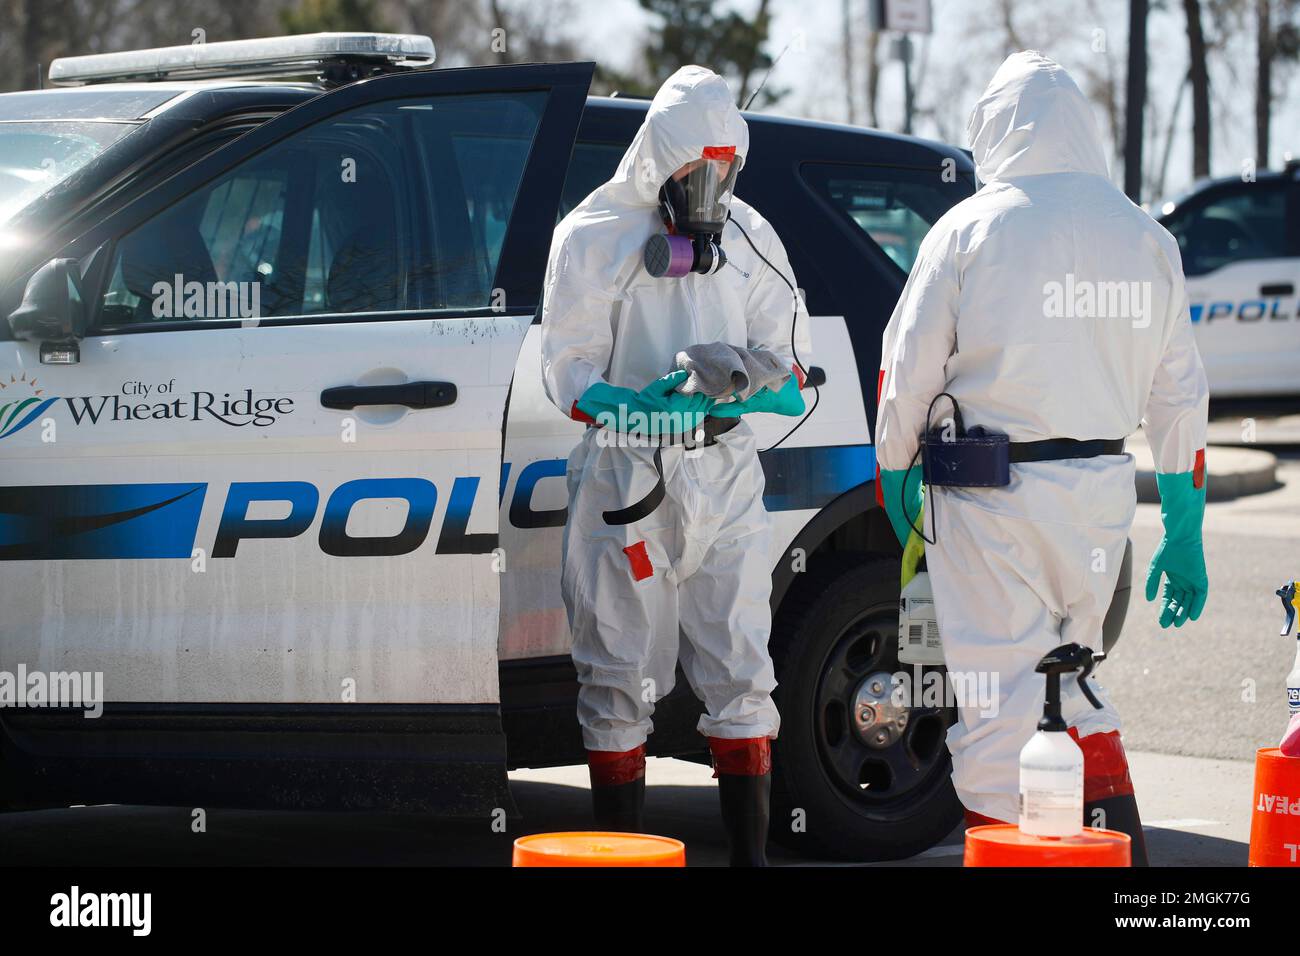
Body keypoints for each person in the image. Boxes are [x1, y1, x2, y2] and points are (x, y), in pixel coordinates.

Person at [875, 51, 1209, 866]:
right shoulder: (1145, 235)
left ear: (996, 128)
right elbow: (1180, 394)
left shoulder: (970, 229)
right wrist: (1186, 522)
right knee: (1072, 680)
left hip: (990, 501)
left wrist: (894, 474)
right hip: (1097, 497)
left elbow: (907, 366)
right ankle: (1121, 861)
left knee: (995, 718)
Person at [539, 65, 811, 866]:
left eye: (726, 171)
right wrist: (636, 406)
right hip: (626, 479)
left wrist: (749, 387)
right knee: (616, 672)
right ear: (662, 157)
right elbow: (567, 373)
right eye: (697, 170)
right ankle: (620, 855)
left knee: (740, 669)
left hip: (722, 477)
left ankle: (749, 860)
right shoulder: (593, 236)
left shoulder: (752, 237)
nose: (711, 188)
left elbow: (793, 365)